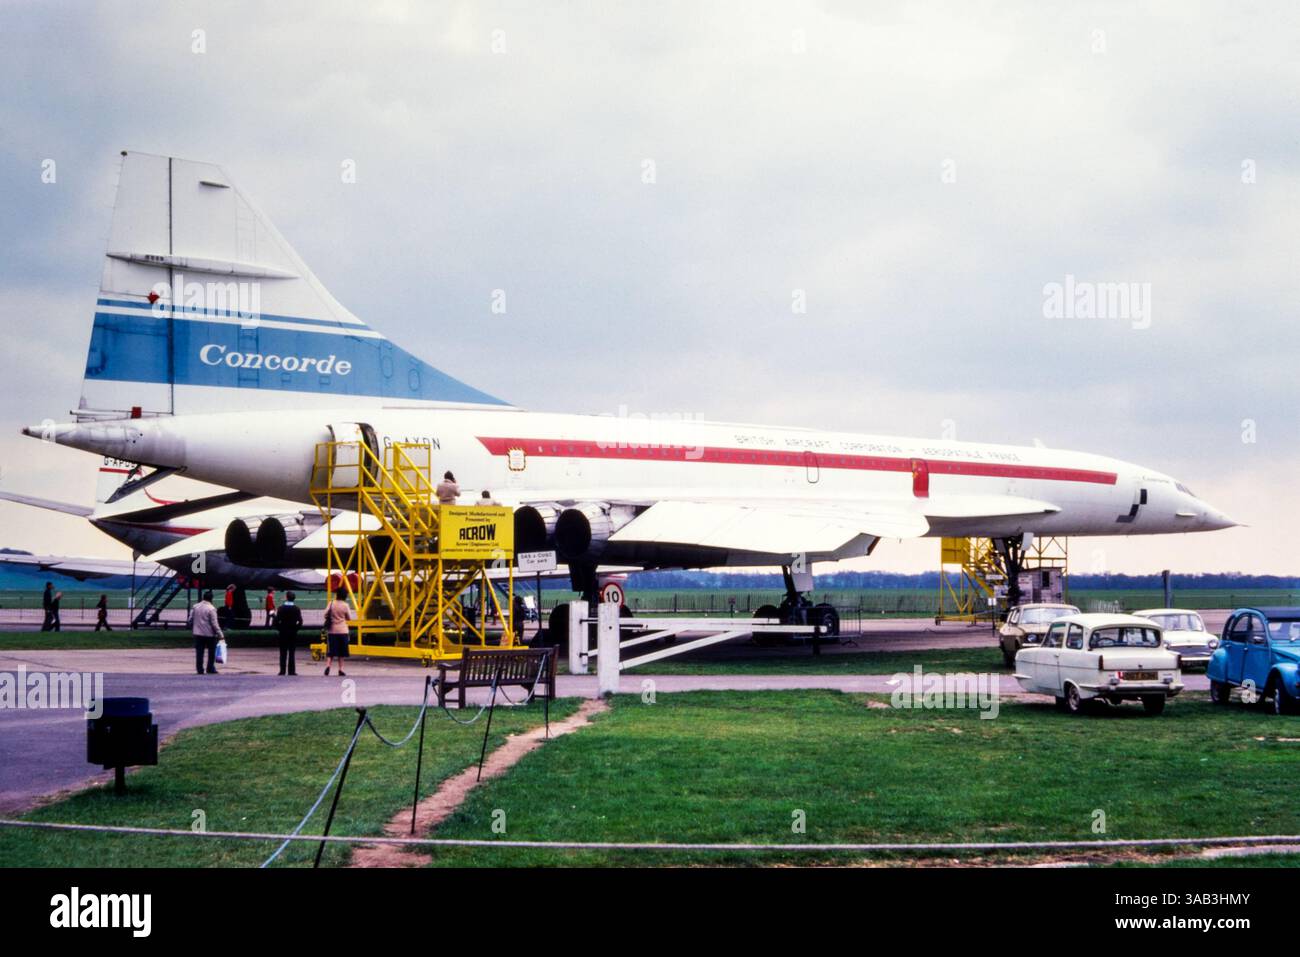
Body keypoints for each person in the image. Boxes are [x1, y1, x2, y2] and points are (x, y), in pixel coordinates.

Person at [323, 587, 354, 677]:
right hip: (343, 630)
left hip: (332, 630)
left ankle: (328, 666)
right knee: (342, 651)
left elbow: (325, 614)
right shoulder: (345, 605)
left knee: (331, 650)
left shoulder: (331, 603)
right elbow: (349, 618)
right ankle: (340, 669)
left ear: (337, 594)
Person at [192, 590, 224, 675]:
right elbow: (214, 623)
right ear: (211, 599)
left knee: (199, 652)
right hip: (209, 634)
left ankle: (200, 669)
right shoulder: (211, 609)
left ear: (203, 597)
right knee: (211, 652)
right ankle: (210, 668)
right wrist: (220, 634)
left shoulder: (195, 606)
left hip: (198, 633)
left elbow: (190, 619)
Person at [275, 590, 303, 676]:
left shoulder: (281, 608)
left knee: (282, 652)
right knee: (292, 652)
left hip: (283, 632)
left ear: (286, 598)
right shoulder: (297, 609)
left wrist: (280, 628)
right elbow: (300, 621)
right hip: (292, 633)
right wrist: (295, 629)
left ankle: (282, 670)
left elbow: (276, 621)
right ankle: (291, 671)